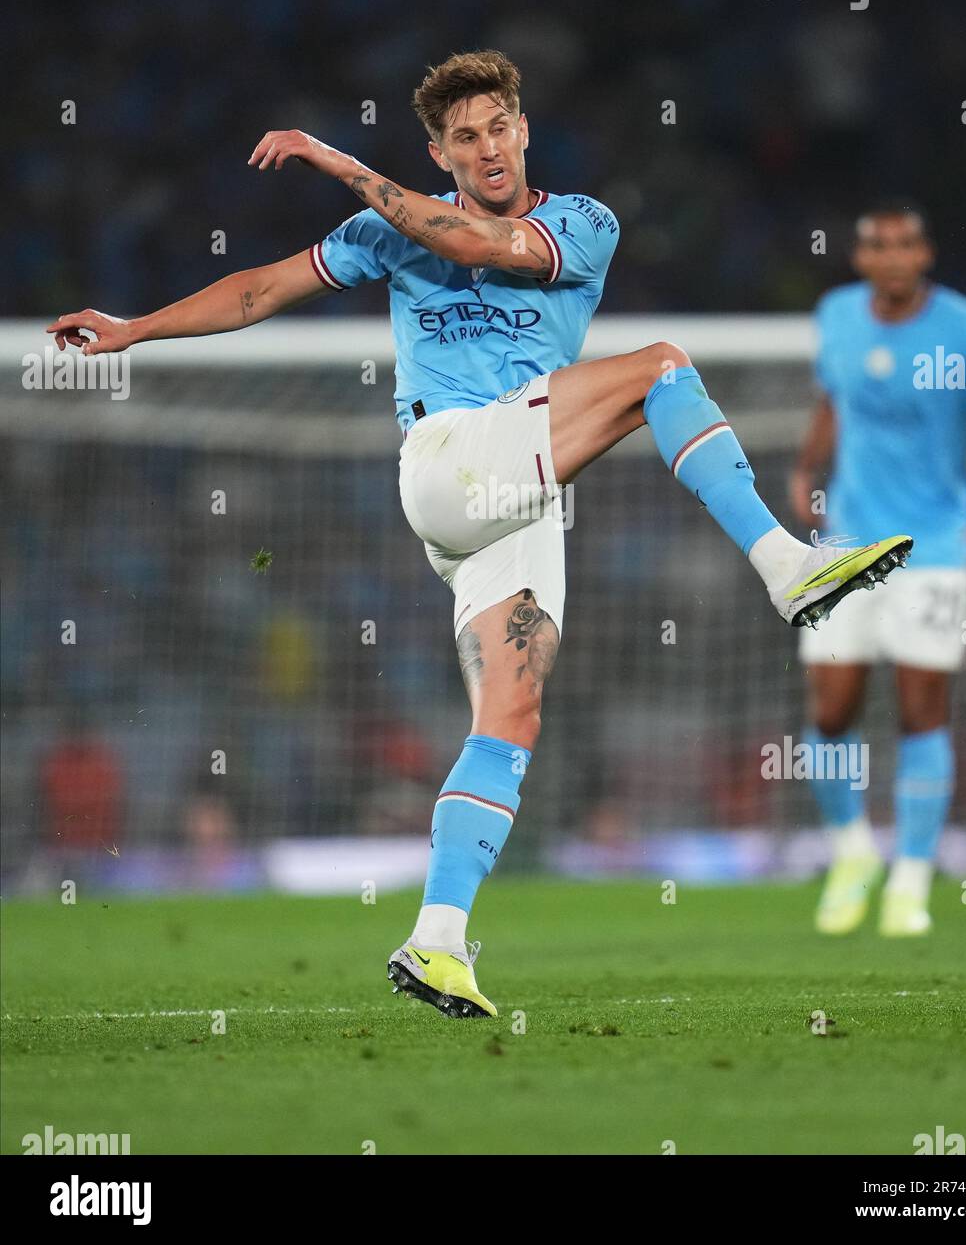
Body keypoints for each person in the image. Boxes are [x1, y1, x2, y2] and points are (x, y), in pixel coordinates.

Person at [49, 50, 911, 1016]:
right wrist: (134, 328)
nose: (487, 146)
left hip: (516, 502)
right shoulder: (386, 225)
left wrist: (346, 167)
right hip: (450, 459)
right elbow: (256, 292)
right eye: (465, 137)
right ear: (440, 152)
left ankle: (436, 941)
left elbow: (478, 248)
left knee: (511, 714)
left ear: (523, 131)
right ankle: (788, 565)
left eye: (499, 126)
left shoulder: (583, 223)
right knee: (663, 368)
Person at [791, 202, 966, 937]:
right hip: (846, 546)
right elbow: (834, 398)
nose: (893, 257)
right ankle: (853, 854)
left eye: (905, 244)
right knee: (829, 712)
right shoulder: (835, 315)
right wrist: (808, 462)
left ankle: (911, 880)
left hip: (931, 546)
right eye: (878, 246)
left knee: (920, 708)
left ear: (923, 253)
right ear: (860, 258)